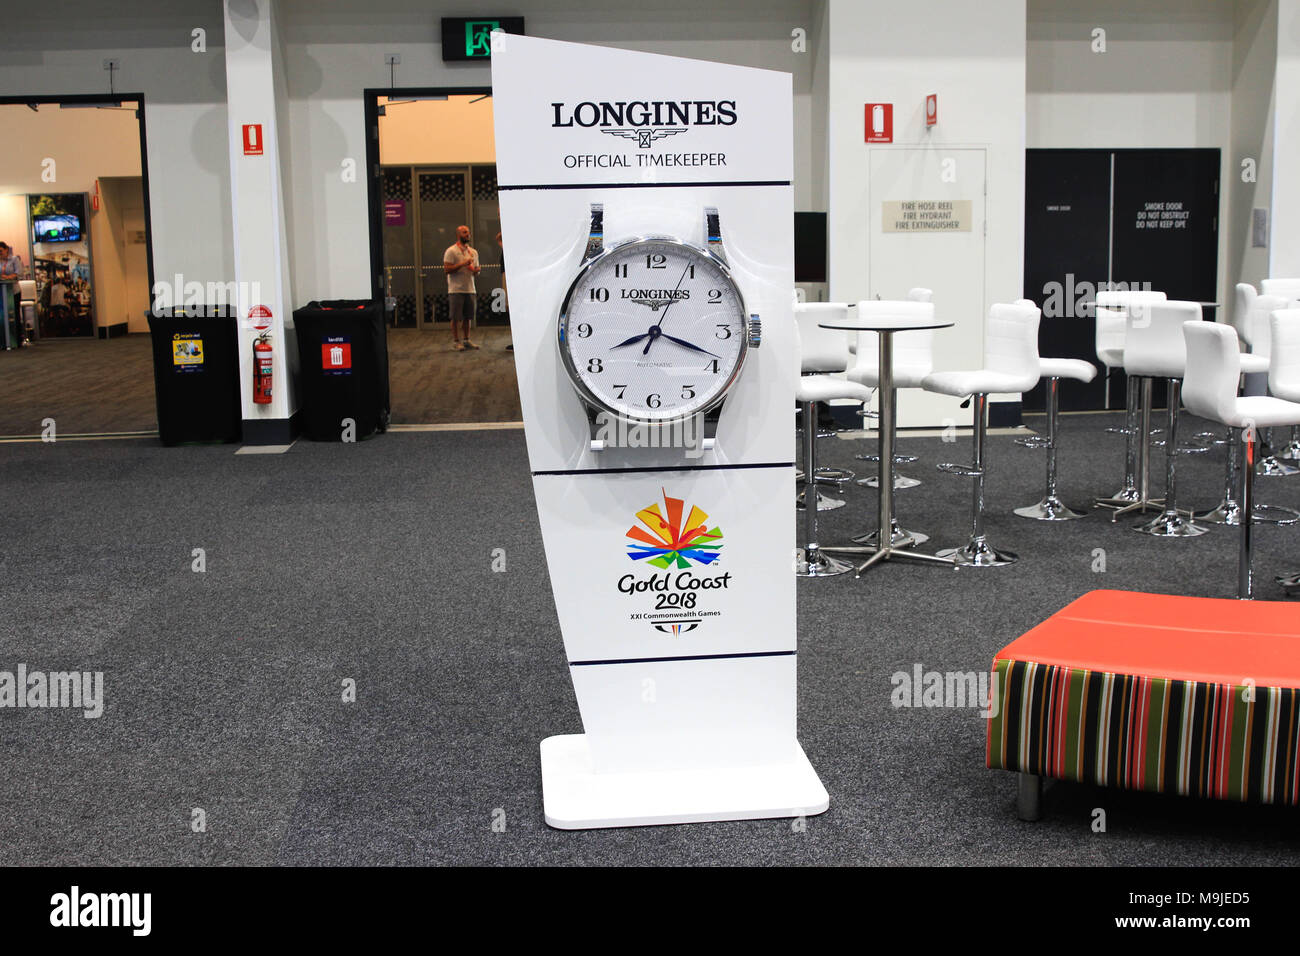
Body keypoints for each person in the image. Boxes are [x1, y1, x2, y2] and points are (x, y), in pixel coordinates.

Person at [443, 224, 481, 350]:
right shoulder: (451, 251)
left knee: (468, 317)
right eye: (465, 232)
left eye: (468, 232)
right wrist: (462, 263)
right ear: (458, 235)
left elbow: (475, 270)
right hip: (456, 289)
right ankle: (456, 341)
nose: (467, 234)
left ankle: (466, 339)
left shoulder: (473, 252)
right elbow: (447, 269)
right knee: (456, 317)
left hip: (470, 288)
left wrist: (477, 270)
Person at [497, 231, 513, 351]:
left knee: (512, 309)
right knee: (509, 309)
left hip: (510, 277)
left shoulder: (509, 248)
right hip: (507, 276)